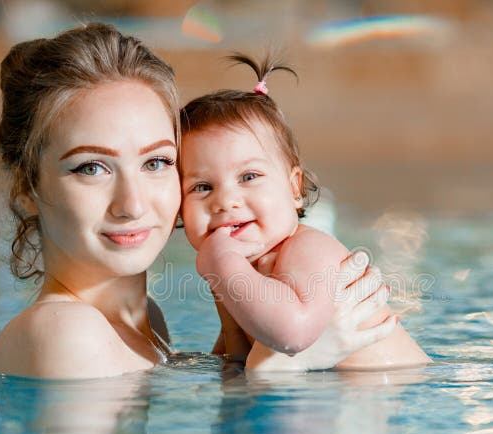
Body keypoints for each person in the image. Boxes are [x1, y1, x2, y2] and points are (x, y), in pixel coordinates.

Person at [0, 23, 395, 379]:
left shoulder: (147, 324)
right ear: (27, 189)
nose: (132, 204)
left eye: (157, 161)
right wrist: (287, 364)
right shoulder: (67, 333)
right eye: (91, 168)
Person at [179, 54, 430, 370]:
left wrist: (224, 264)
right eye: (202, 187)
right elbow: (236, 355)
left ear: (294, 188)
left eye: (249, 177)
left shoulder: (308, 250)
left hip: (398, 385)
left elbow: (292, 335)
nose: (226, 201)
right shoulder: (240, 270)